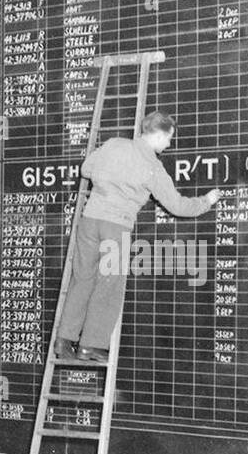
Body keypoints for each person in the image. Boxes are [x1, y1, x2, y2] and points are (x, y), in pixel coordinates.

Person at [58, 111, 220, 361]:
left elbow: (86, 169)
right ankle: (91, 345)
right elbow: (177, 206)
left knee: (82, 279)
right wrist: (206, 201)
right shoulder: (152, 167)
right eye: (168, 139)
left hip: (89, 222)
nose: (168, 145)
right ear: (158, 134)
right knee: (109, 286)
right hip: (116, 228)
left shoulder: (114, 144)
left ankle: (64, 340)